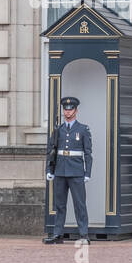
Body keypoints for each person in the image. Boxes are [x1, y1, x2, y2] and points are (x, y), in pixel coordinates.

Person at [44, 96, 92, 244]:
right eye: (65, 109)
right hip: (60, 171)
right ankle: (58, 233)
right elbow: (51, 151)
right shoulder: (58, 129)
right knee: (59, 205)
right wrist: (49, 170)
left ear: (76, 111)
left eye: (70, 109)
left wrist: (87, 172)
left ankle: (83, 234)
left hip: (76, 171)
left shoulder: (83, 129)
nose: (67, 112)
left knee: (79, 204)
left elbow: (88, 153)